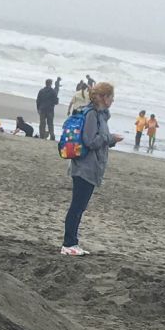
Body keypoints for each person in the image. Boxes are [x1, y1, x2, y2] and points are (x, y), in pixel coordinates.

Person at [61, 80, 121, 256]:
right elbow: (90, 140)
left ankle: (72, 242)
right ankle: (68, 243)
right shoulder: (92, 115)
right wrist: (110, 139)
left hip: (91, 166)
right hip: (84, 167)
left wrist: (110, 140)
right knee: (77, 206)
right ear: (103, 97)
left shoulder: (101, 115)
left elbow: (98, 139)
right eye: (111, 97)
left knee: (80, 207)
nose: (112, 100)